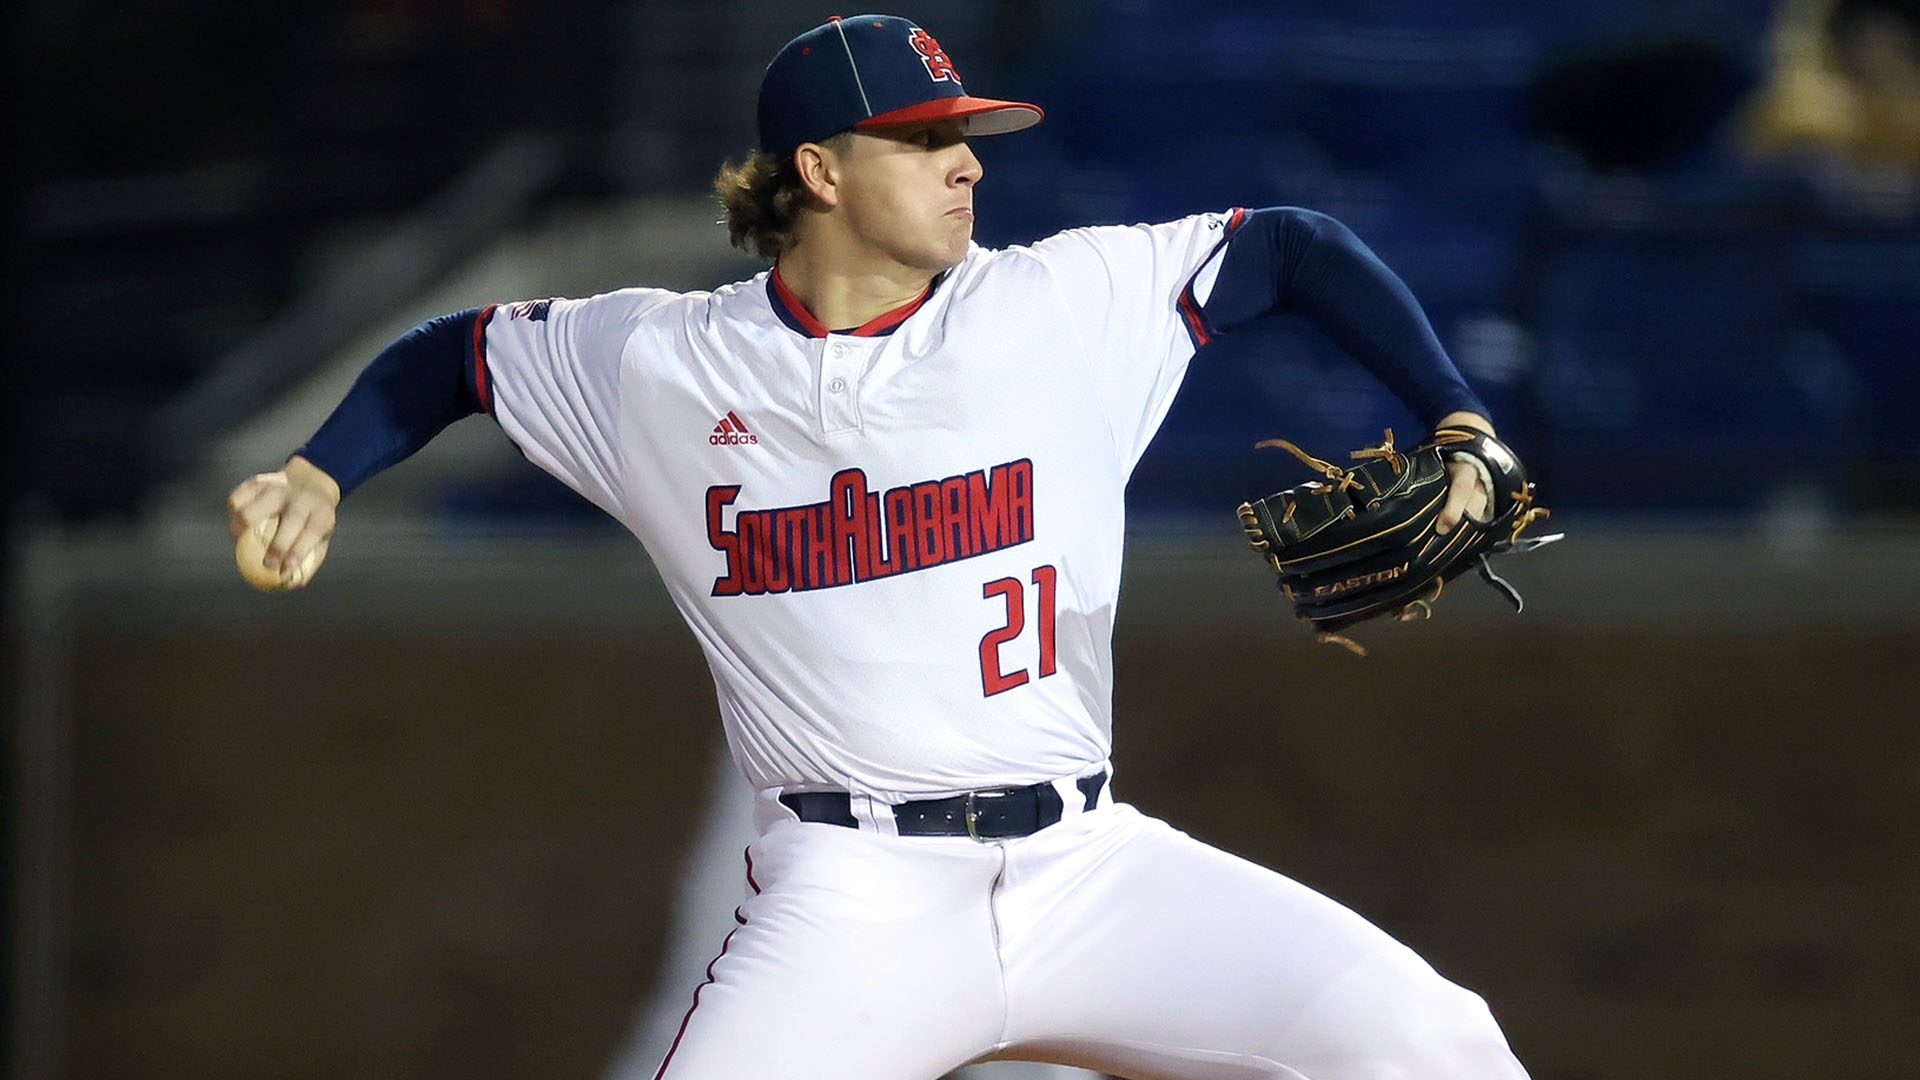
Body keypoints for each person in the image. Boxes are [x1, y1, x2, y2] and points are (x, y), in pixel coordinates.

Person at [227, 14, 1530, 1080]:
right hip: (853, 894)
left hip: (1089, 866)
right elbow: (454, 357)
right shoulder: (664, 364)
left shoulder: (1056, 307)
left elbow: (1293, 250)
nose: (968, 162)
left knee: (1437, 1043)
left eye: (966, 137)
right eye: (923, 141)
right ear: (821, 170)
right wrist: (319, 469)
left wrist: (1461, 420)